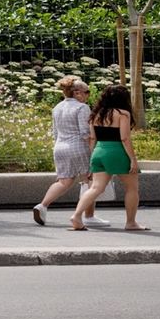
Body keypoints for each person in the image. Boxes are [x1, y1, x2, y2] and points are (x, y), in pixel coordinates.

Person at [72, 85, 149, 232]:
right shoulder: (123, 114)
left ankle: (76, 216)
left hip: (99, 151)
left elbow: (92, 139)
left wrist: (91, 160)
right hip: (117, 151)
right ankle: (131, 223)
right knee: (132, 188)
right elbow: (125, 138)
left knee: (95, 188)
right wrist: (133, 159)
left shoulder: (95, 114)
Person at [32, 76, 106, 226]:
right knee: (90, 181)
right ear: (77, 93)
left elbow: (55, 132)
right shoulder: (82, 107)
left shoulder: (57, 107)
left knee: (64, 181)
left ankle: (42, 206)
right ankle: (89, 216)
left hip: (60, 147)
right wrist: (94, 147)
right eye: (87, 92)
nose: (88, 95)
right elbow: (85, 133)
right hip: (78, 147)